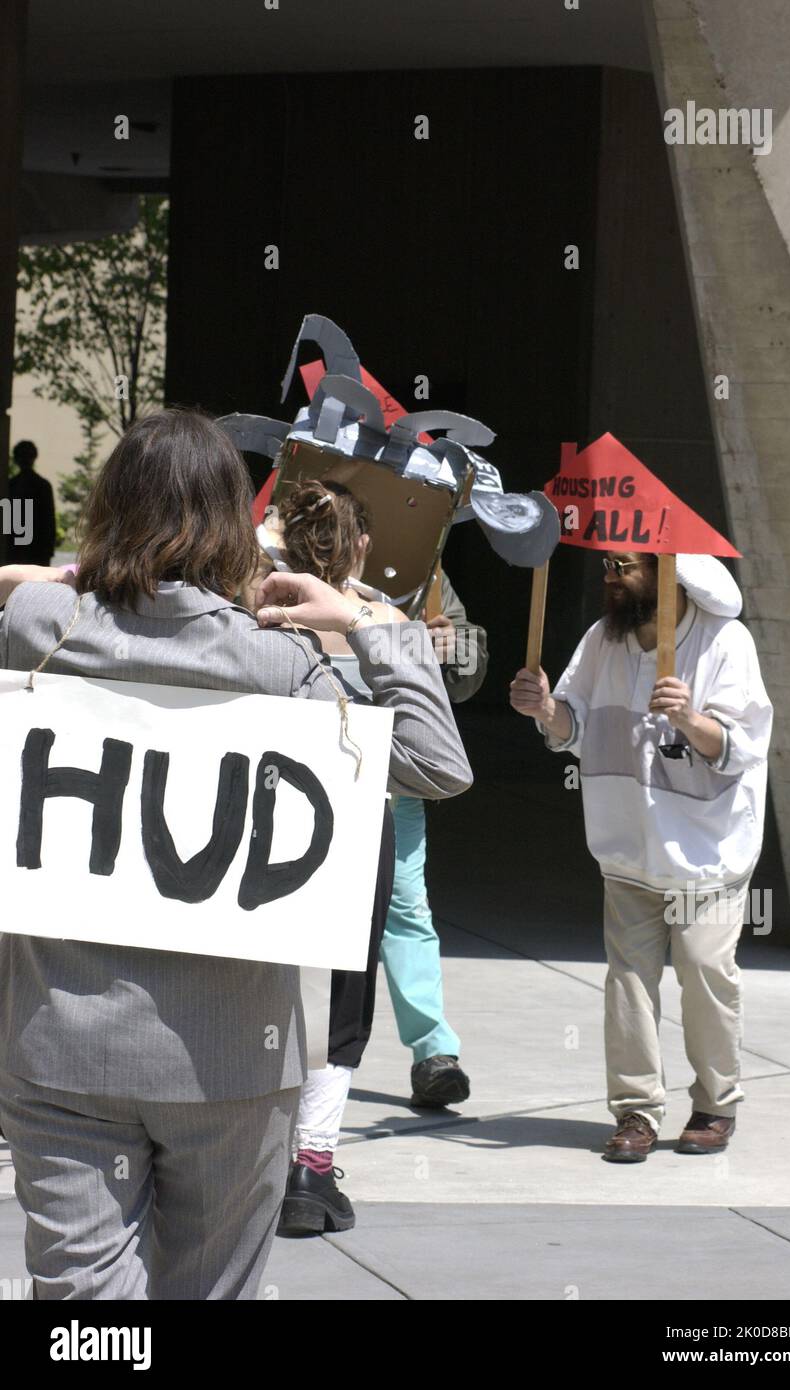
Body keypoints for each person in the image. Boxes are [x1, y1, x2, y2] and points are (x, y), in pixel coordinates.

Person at [0, 409, 472, 1299]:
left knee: (81, 1301)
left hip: (56, 1045)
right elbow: (436, 766)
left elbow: (42, 592)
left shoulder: (42, 627)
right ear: (229, 519)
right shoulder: (280, 662)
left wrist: (49, 579)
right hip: (228, 1059)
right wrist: (369, 620)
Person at [510, 551, 772, 1162]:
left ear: (669, 575)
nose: (611, 574)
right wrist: (543, 707)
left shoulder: (724, 641)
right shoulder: (604, 638)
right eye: (607, 563)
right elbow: (571, 726)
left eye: (626, 565)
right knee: (628, 984)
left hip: (707, 851)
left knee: (707, 977)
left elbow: (743, 746)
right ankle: (636, 1112)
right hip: (626, 844)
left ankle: (715, 1103)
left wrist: (690, 717)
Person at [256, 478, 406, 1235]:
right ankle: (311, 1167)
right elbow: (426, 742)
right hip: (356, 820)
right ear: (361, 546)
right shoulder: (381, 618)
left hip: (257, 815)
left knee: (257, 978)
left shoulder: (249, 613)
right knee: (343, 998)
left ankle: (255, 1155)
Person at [385, 571, 488, 1108]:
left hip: (395, 769)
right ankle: (289, 1049)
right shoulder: (281, 552)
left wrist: (451, 651)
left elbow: (468, 668)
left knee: (406, 909)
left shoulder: (428, 569)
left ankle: (434, 1053)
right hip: (307, 768)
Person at [9, 440, 56, 565]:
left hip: (20, 548)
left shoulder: (10, 486)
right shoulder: (42, 485)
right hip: (33, 549)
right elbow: (49, 520)